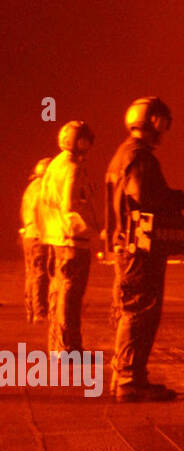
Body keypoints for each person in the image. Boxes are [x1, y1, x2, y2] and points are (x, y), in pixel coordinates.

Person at [106, 97, 184, 401]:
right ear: (153, 121)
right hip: (139, 247)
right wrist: (175, 198)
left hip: (127, 245)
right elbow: (143, 195)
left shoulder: (123, 154)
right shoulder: (139, 156)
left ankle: (127, 375)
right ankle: (130, 379)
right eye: (163, 121)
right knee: (141, 309)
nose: (165, 128)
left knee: (132, 308)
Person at [42, 121, 98, 353]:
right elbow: (70, 205)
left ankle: (58, 346)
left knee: (59, 294)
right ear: (79, 141)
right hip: (72, 240)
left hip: (56, 238)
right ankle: (69, 350)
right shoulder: (73, 167)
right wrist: (95, 230)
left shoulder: (54, 165)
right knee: (71, 298)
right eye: (85, 140)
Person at [20, 157, 54, 327]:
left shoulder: (31, 187)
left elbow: (25, 212)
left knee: (32, 274)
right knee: (41, 274)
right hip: (38, 236)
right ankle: (40, 312)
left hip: (29, 235)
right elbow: (37, 212)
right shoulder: (42, 188)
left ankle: (31, 310)